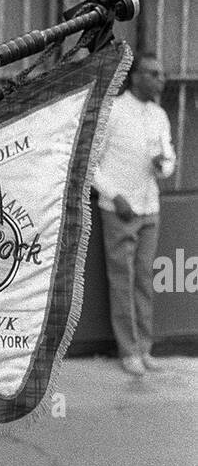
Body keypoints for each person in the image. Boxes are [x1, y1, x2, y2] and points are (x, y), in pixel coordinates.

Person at [93, 52, 176, 377]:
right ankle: (128, 350)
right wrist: (114, 196)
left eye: (163, 74)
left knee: (144, 278)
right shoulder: (112, 110)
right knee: (122, 281)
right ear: (136, 76)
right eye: (154, 74)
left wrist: (163, 167)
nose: (161, 80)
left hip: (149, 206)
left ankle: (145, 347)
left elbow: (168, 158)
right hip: (120, 210)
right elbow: (92, 162)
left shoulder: (159, 115)